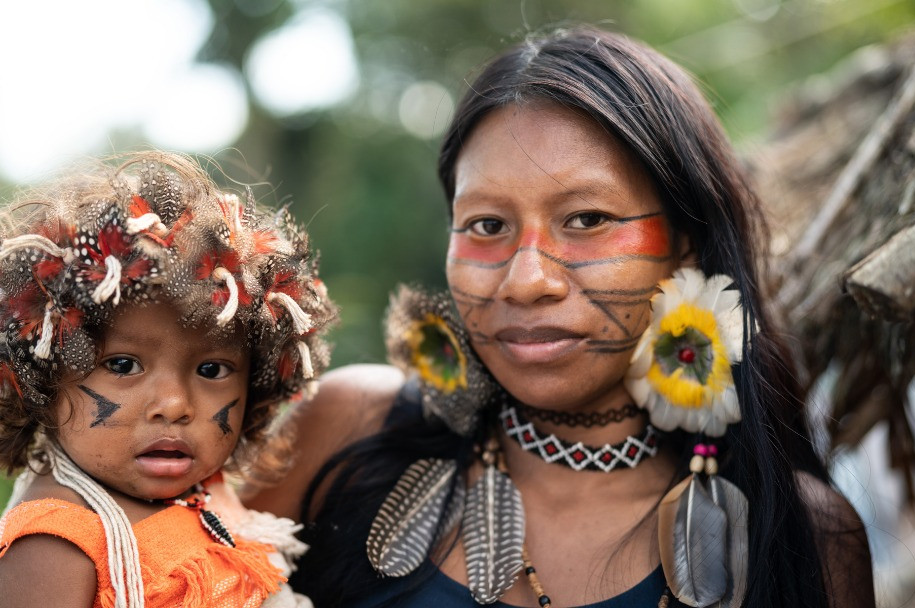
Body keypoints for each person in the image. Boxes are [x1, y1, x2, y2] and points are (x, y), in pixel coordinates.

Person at [244, 26, 875, 608]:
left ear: (686, 241)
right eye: (487, 226)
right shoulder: (350, 426)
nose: (527, 281)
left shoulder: (807, 538)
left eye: (588, 220)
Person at [0, 151, 336, 607]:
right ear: (43, 381)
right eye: (122, 365)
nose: (174, 405)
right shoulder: (53, 543)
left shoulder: (207, 492)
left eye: (211, 370)